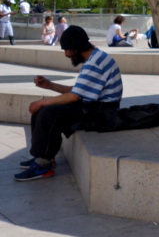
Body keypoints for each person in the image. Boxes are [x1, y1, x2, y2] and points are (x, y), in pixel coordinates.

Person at [14, 25, 123, 181]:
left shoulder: (94, 63)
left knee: (48, 112)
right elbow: (78, 91)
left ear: (76, 48)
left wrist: (41, 102)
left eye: (67, 50)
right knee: (43, 110)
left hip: (103, 113)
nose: (66, 54)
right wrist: (50, 85)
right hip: (96, 106)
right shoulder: (95, 58)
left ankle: (43, 165)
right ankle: (43, 156)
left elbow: (73, 97)